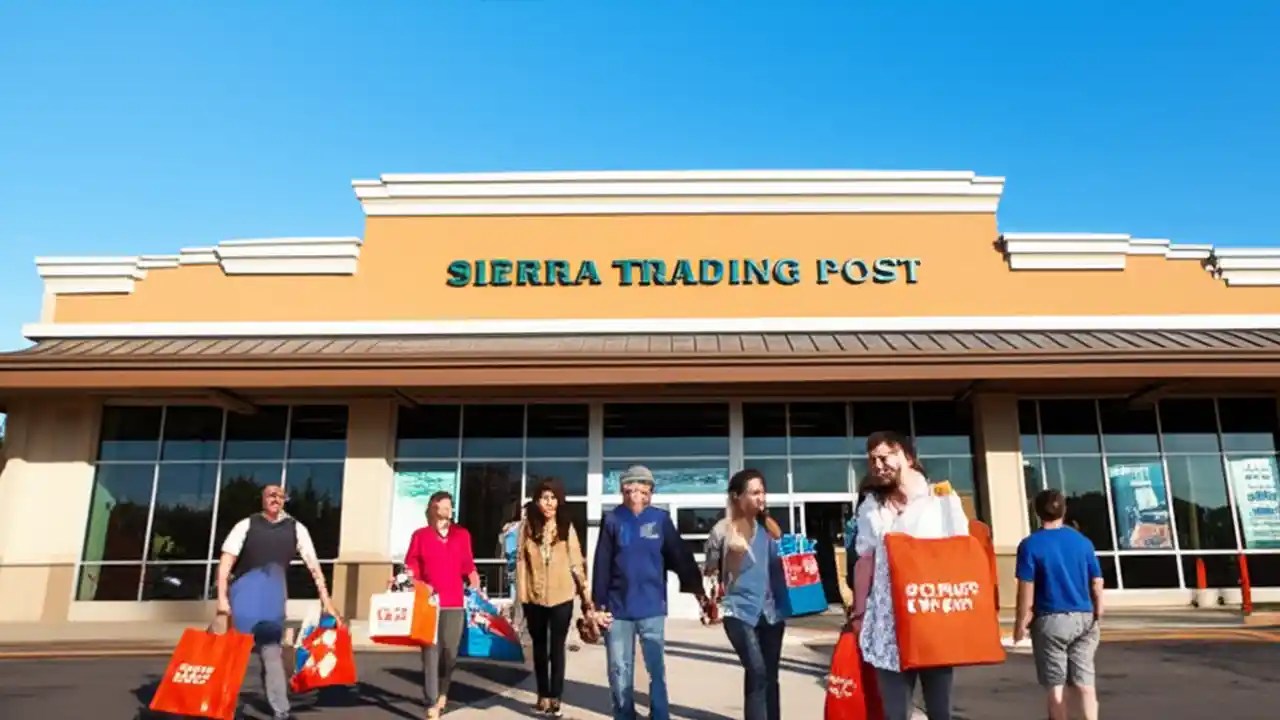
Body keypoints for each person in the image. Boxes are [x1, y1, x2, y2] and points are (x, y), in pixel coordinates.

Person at [848, 431, 968, 720]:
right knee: (895, 713)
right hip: (886, 623)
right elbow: (864, 561)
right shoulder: (871, 507)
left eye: (884, 456)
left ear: (908, 457)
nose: (877, 465)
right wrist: (859, 613)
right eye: (872, 459)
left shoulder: (941, 500)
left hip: (932, 618)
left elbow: (962, 553)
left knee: (940, 710)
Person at [590, 464, 709, 720]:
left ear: (650, 493)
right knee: (619, 669)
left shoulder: (660, 520)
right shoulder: (612, 520)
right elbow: (602, 563)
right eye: (632, 489)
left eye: (644, 490)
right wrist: (597, 607)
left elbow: (680, 557)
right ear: (623, 491)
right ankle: (624, 714)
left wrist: (700, 594)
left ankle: (660, 715)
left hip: (652, 607)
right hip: (617, 608)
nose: (638, 495)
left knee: (655, 668)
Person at [216, 484, 338, 720]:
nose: (276, 499)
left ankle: (281, 712)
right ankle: (222, 706)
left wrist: (326, 600)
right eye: (271, 495)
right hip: (243, 597)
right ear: (262, 499)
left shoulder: (296, 529)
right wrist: (222, 599)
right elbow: (226, 561)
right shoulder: (247, 524)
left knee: (272, 654)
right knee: (233, 655)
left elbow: (313, 566)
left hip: (272, 600)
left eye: (280, 496)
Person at [703, 468, 791, 720]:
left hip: (772, 612)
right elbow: (710, 570)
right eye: (754, 493)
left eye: (762, 492)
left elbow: (783, 564)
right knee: (757, 669)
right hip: (739, 611)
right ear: (736, 497)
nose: (760, 498)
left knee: (769, 674)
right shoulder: (722, 529)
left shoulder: (771, 529)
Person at [1013, 489, 1104, 720]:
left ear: (1037, 512)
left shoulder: (1030, 545)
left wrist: (1021, 623)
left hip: (1051, 619)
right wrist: (1098, 611)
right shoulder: (1083, 543)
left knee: (1056, 685)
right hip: (1084, 617)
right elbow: (1096, 581)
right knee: (1085, 681)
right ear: (1064, 510)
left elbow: (1027, 588)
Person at [403, 491, 481, 720]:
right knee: (430, 652)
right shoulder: (420, 536)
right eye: (444, 506)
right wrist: (413, 581)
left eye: (450, 507)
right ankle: (431, 701)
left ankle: (443, 691)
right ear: (433, 509)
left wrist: (474, 579)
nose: (448, 511)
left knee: (450, 653)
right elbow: (412, 565)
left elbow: (468, 563)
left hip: (454, 601)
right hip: (428, 602)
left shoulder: (462, 535)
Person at [517, 479, 591, 717]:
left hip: (561, 595)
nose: (548, 503)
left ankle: (556, 697)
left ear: (559, 501)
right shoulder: (527, 527)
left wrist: (586, 596)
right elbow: (520, 562)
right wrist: (522, 593)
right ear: (537, 501)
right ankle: (543, 695)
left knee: (556, 647)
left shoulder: (565, 526)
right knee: (539, 647)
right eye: (544, 498)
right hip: (534, 596)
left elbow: (576, 562)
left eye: (552, 498)